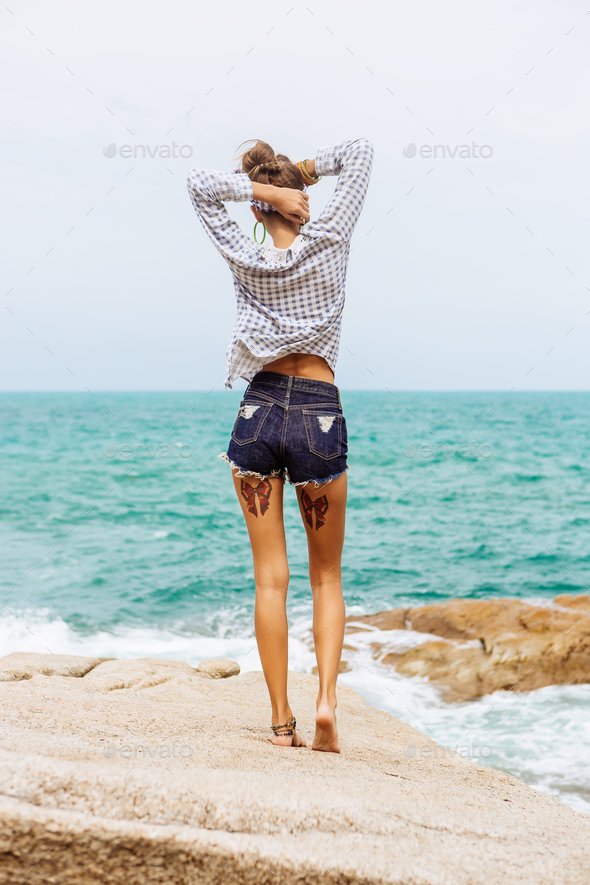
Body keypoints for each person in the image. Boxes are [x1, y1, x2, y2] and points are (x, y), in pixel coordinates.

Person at [187, 137, 374, 753]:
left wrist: (267, 192)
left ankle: (280, 721)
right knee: (327, 576)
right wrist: (306, 177)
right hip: (318, 410)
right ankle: (325, 704)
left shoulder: (245, 252)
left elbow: (199, 184)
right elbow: (362, 150)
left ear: (261, 210)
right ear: (302, 201)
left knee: (271, 578)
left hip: (259, 410)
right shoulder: (332, 239)